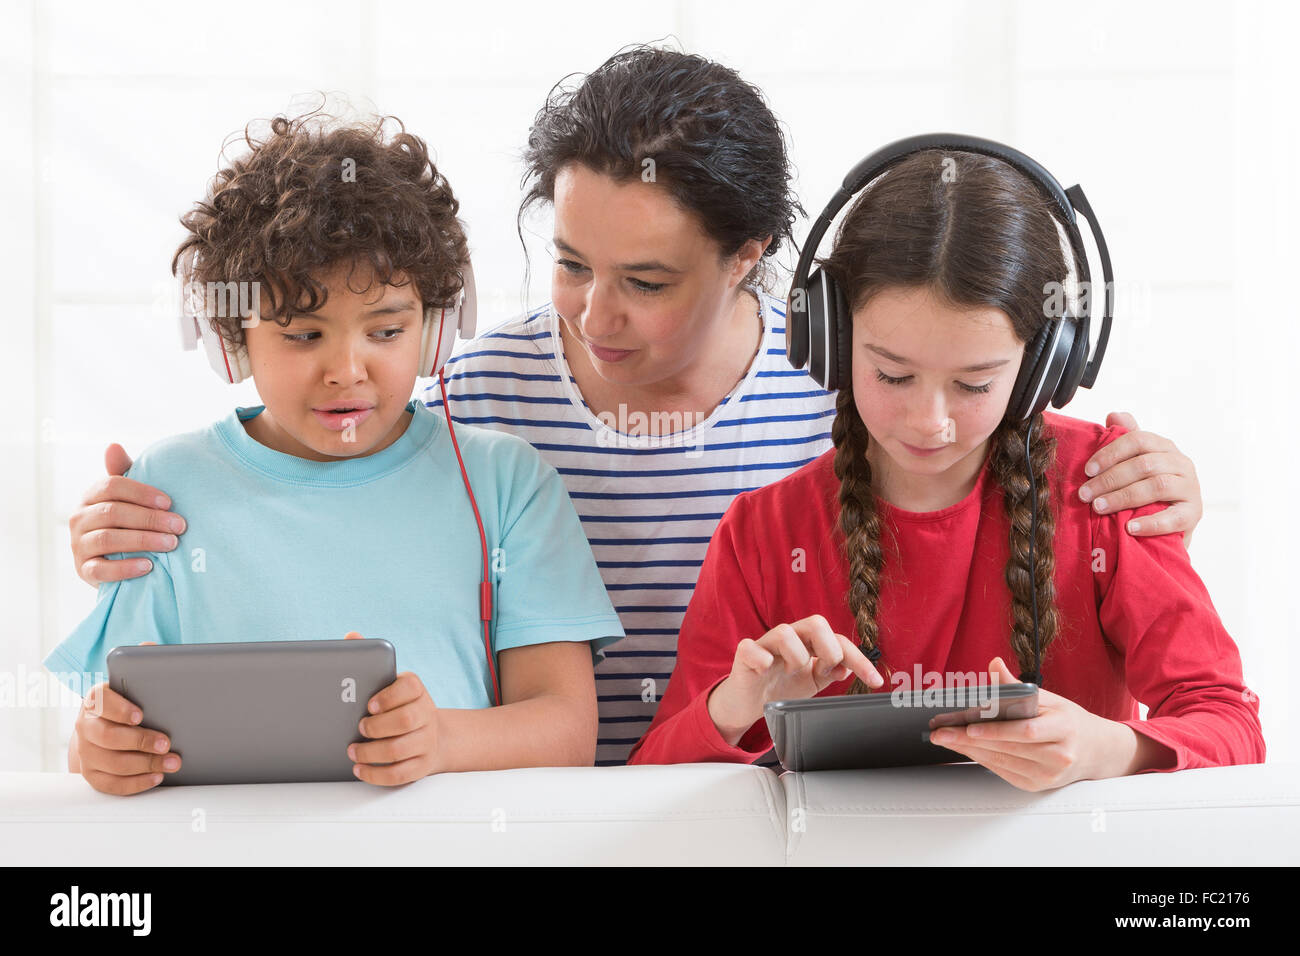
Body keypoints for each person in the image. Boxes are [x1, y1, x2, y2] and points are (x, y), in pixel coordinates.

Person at [64, 47, 1207, 768]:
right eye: (570, 263)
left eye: (646, 282)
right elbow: (306, 438)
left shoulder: (866, 393)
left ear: (752, 262)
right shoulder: (454, 398)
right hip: (585, 806)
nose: (592, 315)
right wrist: (148, 521)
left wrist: (1152, 494)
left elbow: (993, 446)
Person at [627, 147, 1264, 788]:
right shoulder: (763, 531)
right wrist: (736, 706)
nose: (929, 421)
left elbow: (1231, 725)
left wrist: (1110, 750)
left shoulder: (1107, 486)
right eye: (893, 374)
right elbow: (647, 785)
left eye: (974, 383)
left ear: (1044, 363)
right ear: (833, 339)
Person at [47, 109, 623, 795]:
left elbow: (566, 732)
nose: (347, 370)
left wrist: (442, 739)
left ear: (436, 329)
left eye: (385, 331)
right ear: (233, 340)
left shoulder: (506, 484)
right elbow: (97, 746)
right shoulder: (164, 492)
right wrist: (99, 749)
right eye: (301, 335)